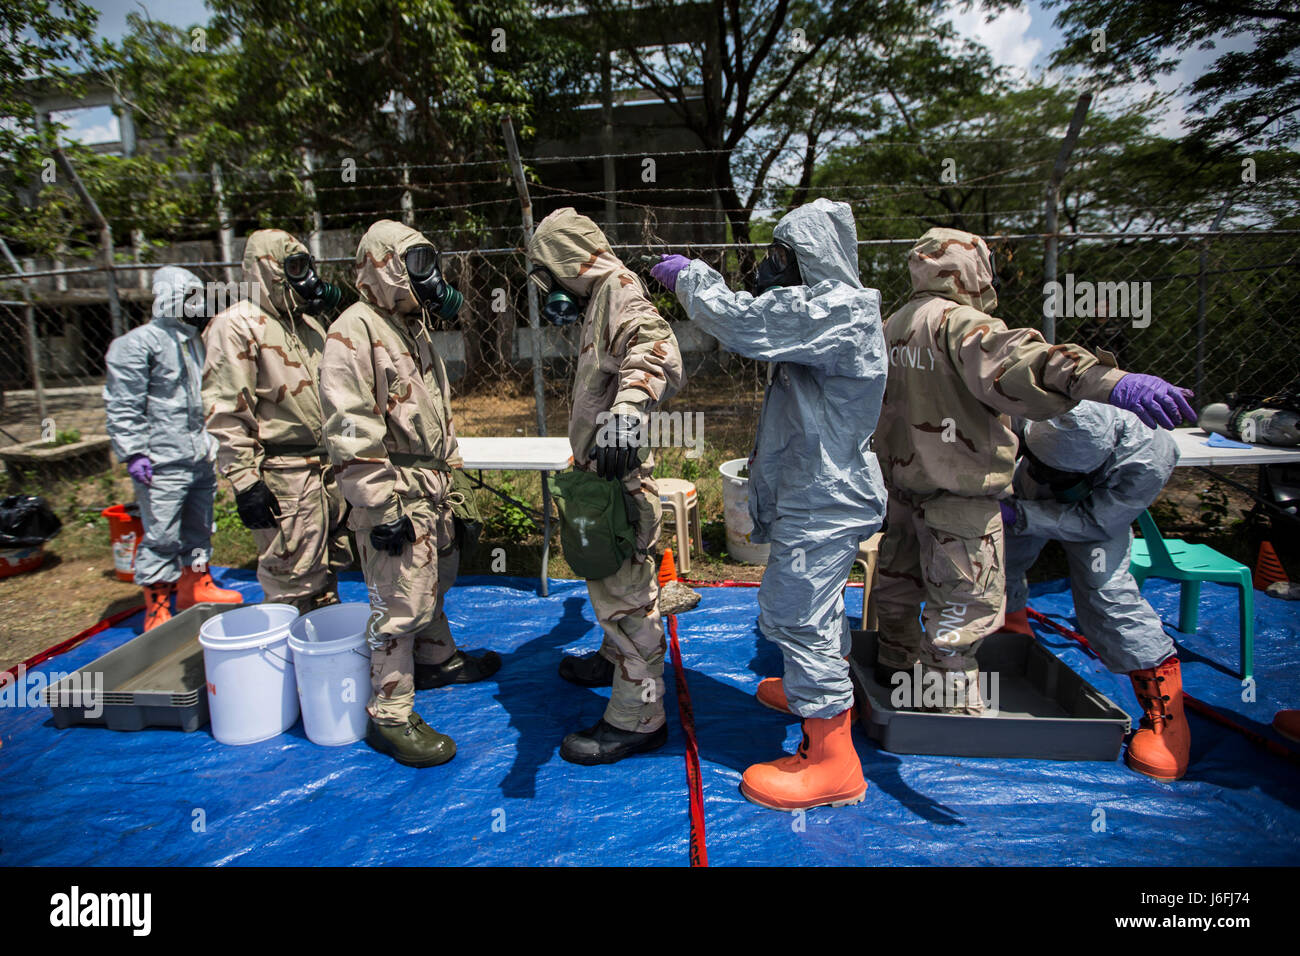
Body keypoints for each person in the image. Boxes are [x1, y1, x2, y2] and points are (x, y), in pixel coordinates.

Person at [873, 227, 1196, 715]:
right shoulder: (961, 324)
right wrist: (1110, 380)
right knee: (963, 610)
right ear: (972, 268)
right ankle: (948, 716)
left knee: (898, 587)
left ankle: (895, 671)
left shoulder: (894, 323)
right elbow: (1027, 363)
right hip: (958, 494)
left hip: (903, 485)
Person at [652, 197, 886, 811]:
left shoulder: (840, 310)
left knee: (796, 610)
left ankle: (832, 760)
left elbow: (746, 325)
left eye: (782, 256)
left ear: (810, 258)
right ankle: (817, 691)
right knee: (816, 601)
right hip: (819, 489)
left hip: (826, 495)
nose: (769, 267)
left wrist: (692, 277)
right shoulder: (827, 311)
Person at [319, 220, 500, 768]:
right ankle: (390, 713)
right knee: (398, 602)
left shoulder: (409, 327)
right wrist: (378, 504)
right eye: (414, 264)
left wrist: (451, 474)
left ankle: (438, 659)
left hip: (429, 485)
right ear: (383, 265)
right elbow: (350, 427)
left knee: (434, 580)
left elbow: (430, 409)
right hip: (394, 489)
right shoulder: (353, 331)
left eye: (429, 263)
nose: (428, 278)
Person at [526, 208, 684, 766]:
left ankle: (639, 718)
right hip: (607, 473)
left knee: (627, 601)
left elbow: (656, 347)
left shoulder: (618, 290)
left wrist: (623, 419)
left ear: (568, 259)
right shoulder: (600, 298)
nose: (548, 284)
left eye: (548, 267)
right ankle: (609, 657)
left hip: (618, 480)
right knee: (615, 585)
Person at [1000, 401, 1190, 780]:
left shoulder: (1148, 456)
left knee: (1107, 594)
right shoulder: (1038, 405)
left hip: (1098, 513)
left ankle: (1165, 716)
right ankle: (1009, 626)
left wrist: (1024, 515)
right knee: (999, 556)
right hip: (1032, 483)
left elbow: (1095, 522)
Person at [203, 229, 352, 612]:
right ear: (268, 270)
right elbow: (226, 411)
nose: (307, 278)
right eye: (295, 267)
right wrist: (244, 482)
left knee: (328, 572)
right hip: (284, 477)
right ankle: (288, 662)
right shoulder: (236, 325)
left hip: (326, 470)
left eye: (308, 266)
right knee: (292, 580)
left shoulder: (309, 326)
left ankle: (324, 655)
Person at [104, 266, 242, 630]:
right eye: (190, 299)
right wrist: (134, 451)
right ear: (170, 299)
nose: (198, 307)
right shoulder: (136, 344)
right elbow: (123, 404)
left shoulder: (196, 342)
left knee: (199, 528)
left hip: (199, 454)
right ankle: (157, 604)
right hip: (161, 460)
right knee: (162, 533)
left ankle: (196, 583)